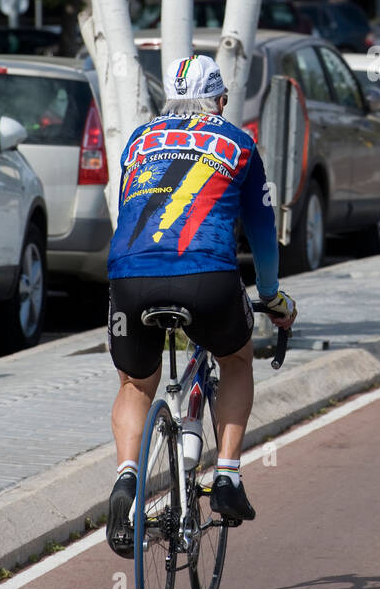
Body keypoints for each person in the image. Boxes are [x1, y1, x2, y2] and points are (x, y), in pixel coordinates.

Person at [104, 54, 297, 556]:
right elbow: (262, 231)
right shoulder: (239, 142)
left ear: (167, 99)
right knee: (235, 358)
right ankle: (228, 475)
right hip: (206, 278)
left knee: (134, 383)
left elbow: (126, 207)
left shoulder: (139, 140)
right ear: (222, 102)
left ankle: (127, 479)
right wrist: (272, 296)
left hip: (130, 275)